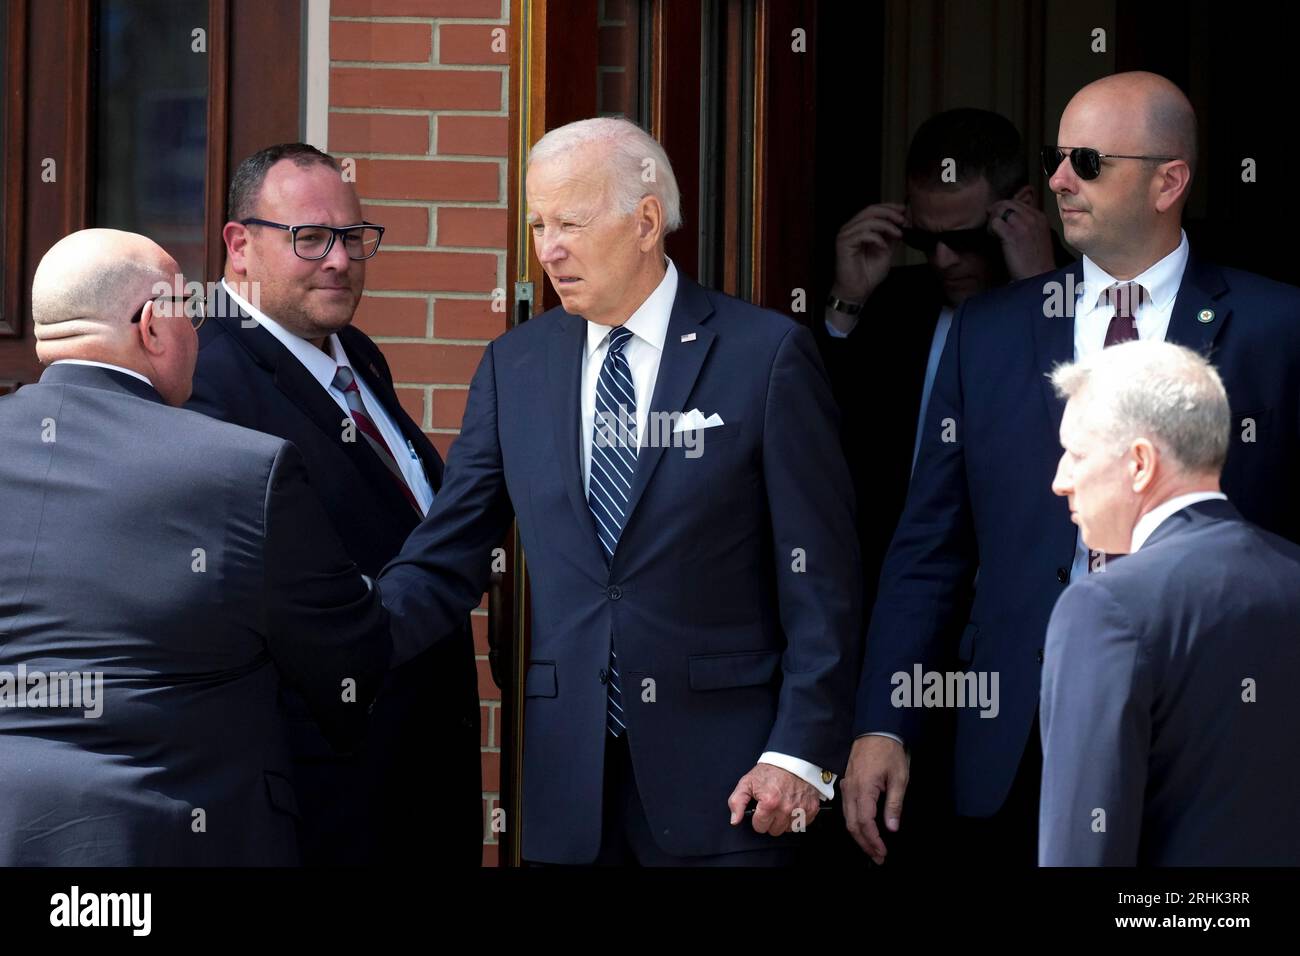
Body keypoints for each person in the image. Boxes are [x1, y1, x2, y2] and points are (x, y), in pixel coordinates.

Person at [842, 71, 1300, 866]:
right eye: (1058, 158)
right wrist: (886, 718)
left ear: (1169, 180)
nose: (1057, 180)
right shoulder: (988, 331)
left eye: (1086, 161)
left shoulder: (1277, 326)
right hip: (1018, 732)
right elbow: (931, 547)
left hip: (1218, 730)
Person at [377, 117, 862, 866]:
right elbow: (448, 552)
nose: (548, 248)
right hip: (566, 793)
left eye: (570, 222)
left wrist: (800, 753)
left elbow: (821, 574)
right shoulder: (516, 365)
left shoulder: (764, 356)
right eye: (539, 224)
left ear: (644, 223)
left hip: (734, 786)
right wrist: (349, 637)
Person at [0, 229, 389, 866]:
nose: (201, 336)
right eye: (191, 311)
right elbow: (351, 662)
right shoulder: (242, 470)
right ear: (153, 325)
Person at [186, 144, 481, 866]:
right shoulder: (211, 375)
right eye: (309, 239)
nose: (340, 260)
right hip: (329, 787)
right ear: (240, 245)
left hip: (418, 765)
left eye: (352, 238)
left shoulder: (357, 353)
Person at [814, 108, 1069, 866]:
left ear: (1021, 210)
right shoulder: (894, 310)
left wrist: (1042, 293)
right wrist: (846, 305)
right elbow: (818, 448)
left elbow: (1081, 451)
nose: (949, 258)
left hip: (1016, 649)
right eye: (928, 240)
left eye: (971, 235)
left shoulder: (1076, 307)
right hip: (890, 633)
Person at [1041, 340, 1300, 865]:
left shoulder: (1104, 606)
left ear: (1140, 463)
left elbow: (1084, 847)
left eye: (1077, 454)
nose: (1060, 480)